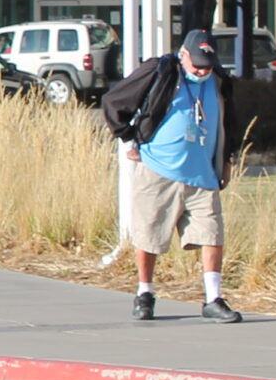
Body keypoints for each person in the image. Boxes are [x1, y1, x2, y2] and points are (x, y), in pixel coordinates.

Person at [102, 28, 244, 323]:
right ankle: (145, 293)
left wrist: (227, 160)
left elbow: (230, 122)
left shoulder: (219, 82)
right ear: (183, 55)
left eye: (208, 65)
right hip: (158, 169)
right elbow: (114, 102)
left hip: (202, 174)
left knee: (212, 234)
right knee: (149, 233)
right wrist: (130, 137)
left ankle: (213, 298)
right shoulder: (162, 72)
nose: (202, 70)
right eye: (197, 65)